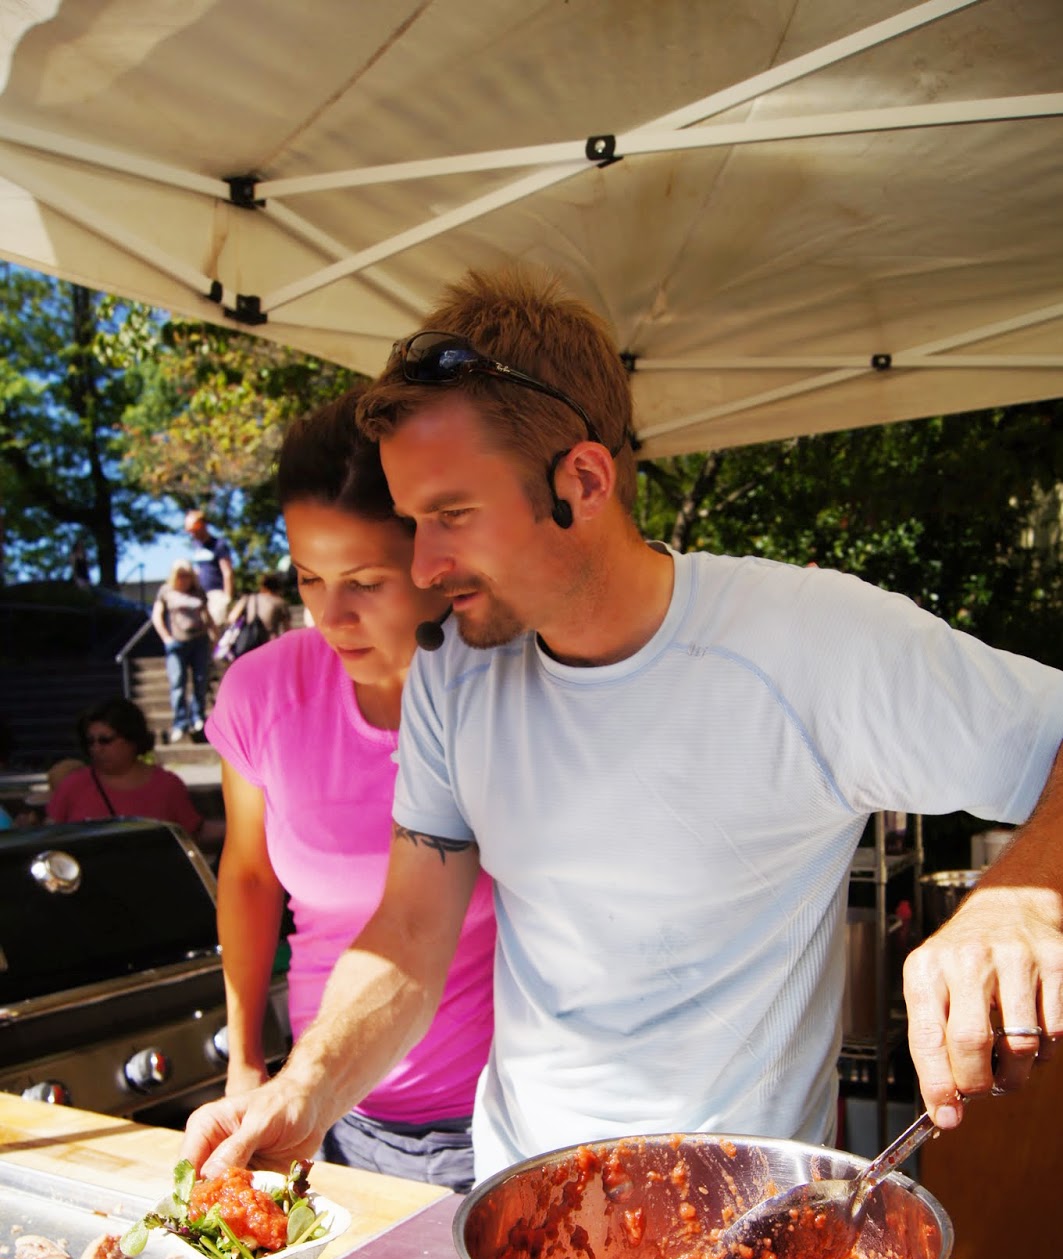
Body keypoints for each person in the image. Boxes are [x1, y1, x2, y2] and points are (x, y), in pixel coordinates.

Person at [182, 264, 1063, 1188]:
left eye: (451, 515)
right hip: (521, 1198)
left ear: (583, 480)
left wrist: (1022, 894)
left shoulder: (808, 642)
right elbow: (409, 928)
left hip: (744, 1213)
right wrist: (307, 1086)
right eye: (412, 522)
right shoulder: (456, 670)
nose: (426, 565)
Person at [201, 386, 496, 1189]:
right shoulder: (262, 692)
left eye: (364, 581)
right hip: (323, 1111)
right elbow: (249, 875)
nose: (330, 617)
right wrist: (247, 1060)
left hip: (497, 1120)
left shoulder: (505, 689)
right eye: (308, 578)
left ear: (435, 561)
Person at [46, 696, 210, 839]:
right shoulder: (73, 786)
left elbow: (193, 833)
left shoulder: (168, 786)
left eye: (105, 740)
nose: (96, 748)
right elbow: (51, 835)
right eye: (91, 742)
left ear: (132, 739)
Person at [152, 559, 213, 742]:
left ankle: (198, 717)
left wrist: (215, 635)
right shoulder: (166, 591)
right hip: (177, 642)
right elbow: (157, 616)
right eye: (181, 575)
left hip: (200, 641)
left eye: (187, 575)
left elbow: (207, 615)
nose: (184, 579)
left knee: (200, 681)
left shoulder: (198, 591)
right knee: (178, 682)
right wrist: (166, 638)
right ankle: (180, 722)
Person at [218, 572, 291, 660]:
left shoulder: (249, 598)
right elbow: (287, 629)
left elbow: (232, 618)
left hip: (248, 641)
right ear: (278, 588)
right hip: (270, 642)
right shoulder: (280, 602)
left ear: (262, 586)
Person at [185, 509, 234, 627]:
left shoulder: (219, 545)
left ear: (203, 525)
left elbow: (227, 572)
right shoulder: (197, 546)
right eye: (190, 531)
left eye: (194, 530)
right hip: (202, 596)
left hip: (217, 594)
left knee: (218, 627)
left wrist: (227, 598)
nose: (192, 534)